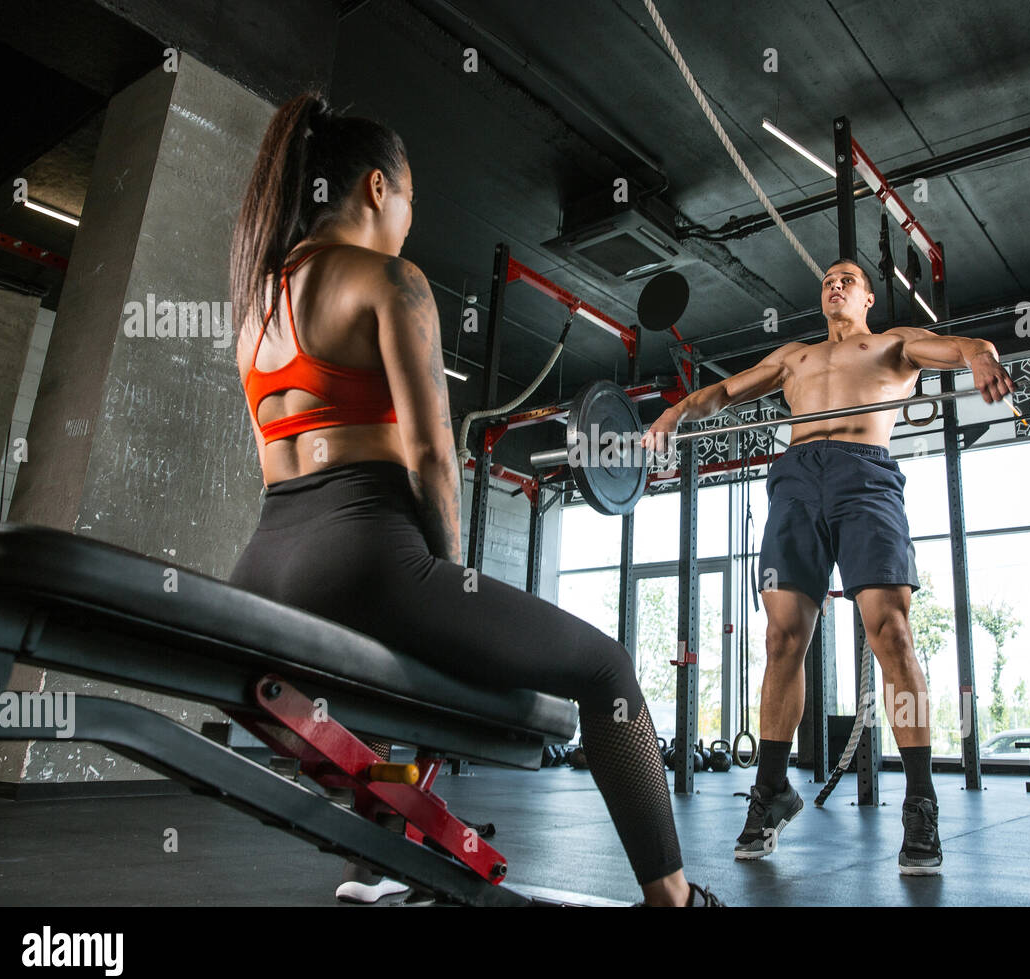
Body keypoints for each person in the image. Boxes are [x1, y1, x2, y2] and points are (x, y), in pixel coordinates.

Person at [227, 92, 720, 906]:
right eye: (412, 195)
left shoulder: (259, 304)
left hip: (263, 565)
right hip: (362, 556)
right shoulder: (391, 279)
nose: (412, 218)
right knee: (607, 669)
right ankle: (674, 901)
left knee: (385, 701)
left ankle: (378, 859)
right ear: (378, 189)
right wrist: (445, 587)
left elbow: (277, 464)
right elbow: (430, 456)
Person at [642, 259, 1014, 875]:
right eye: (827, 280)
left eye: (847, 278)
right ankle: (770, 792)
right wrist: (675, 412)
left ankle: (919, 801)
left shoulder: (894, 344)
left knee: (891, 631)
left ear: (869, 295)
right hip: (793, 483)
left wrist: (979, 355)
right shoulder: (795, 356)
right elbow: (725, 392)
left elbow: (965, 346)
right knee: (781, 637)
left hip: (866, 477)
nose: (835, 284)